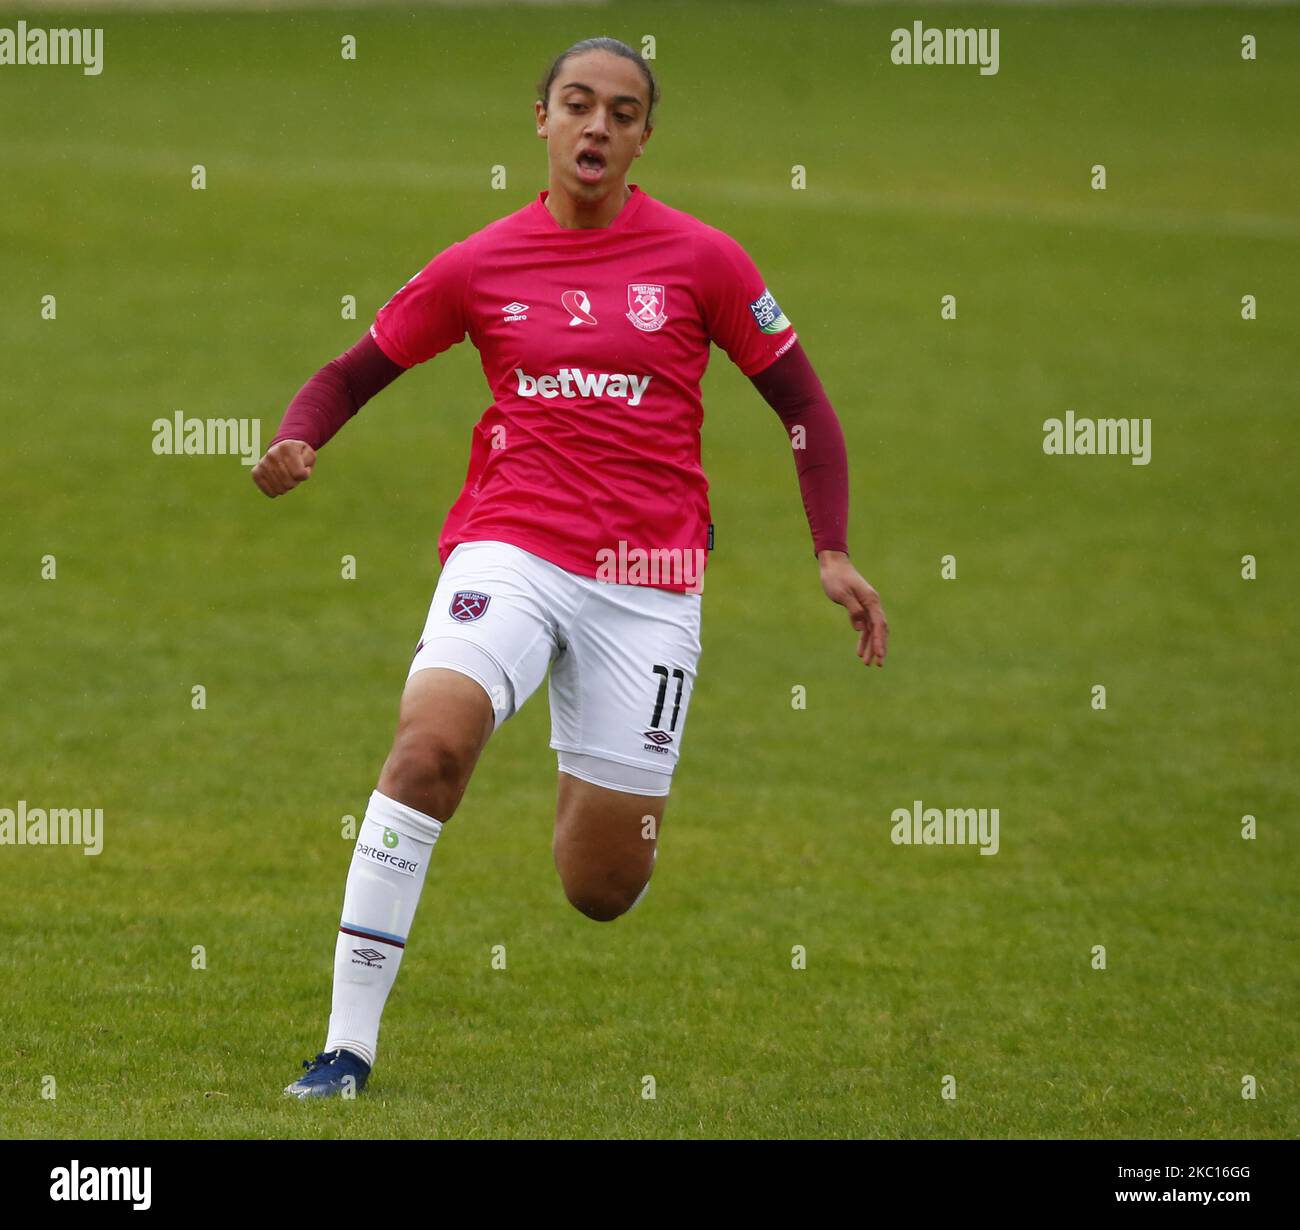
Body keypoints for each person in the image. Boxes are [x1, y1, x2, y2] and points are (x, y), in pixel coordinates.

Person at [258, 36, 888, 1099]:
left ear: (644, 138)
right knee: (426, 752)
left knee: (600, 885)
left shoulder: (705, 262)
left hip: (649, 581)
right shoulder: (478, 263)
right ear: (541, 122)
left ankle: (596, 775)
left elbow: (803, 405)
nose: (598, 126)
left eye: (622, 112)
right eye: (578, 105)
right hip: (510, 546)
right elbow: (354, 369)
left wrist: (829, 549)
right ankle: (344, 1051)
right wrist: (298, 436)